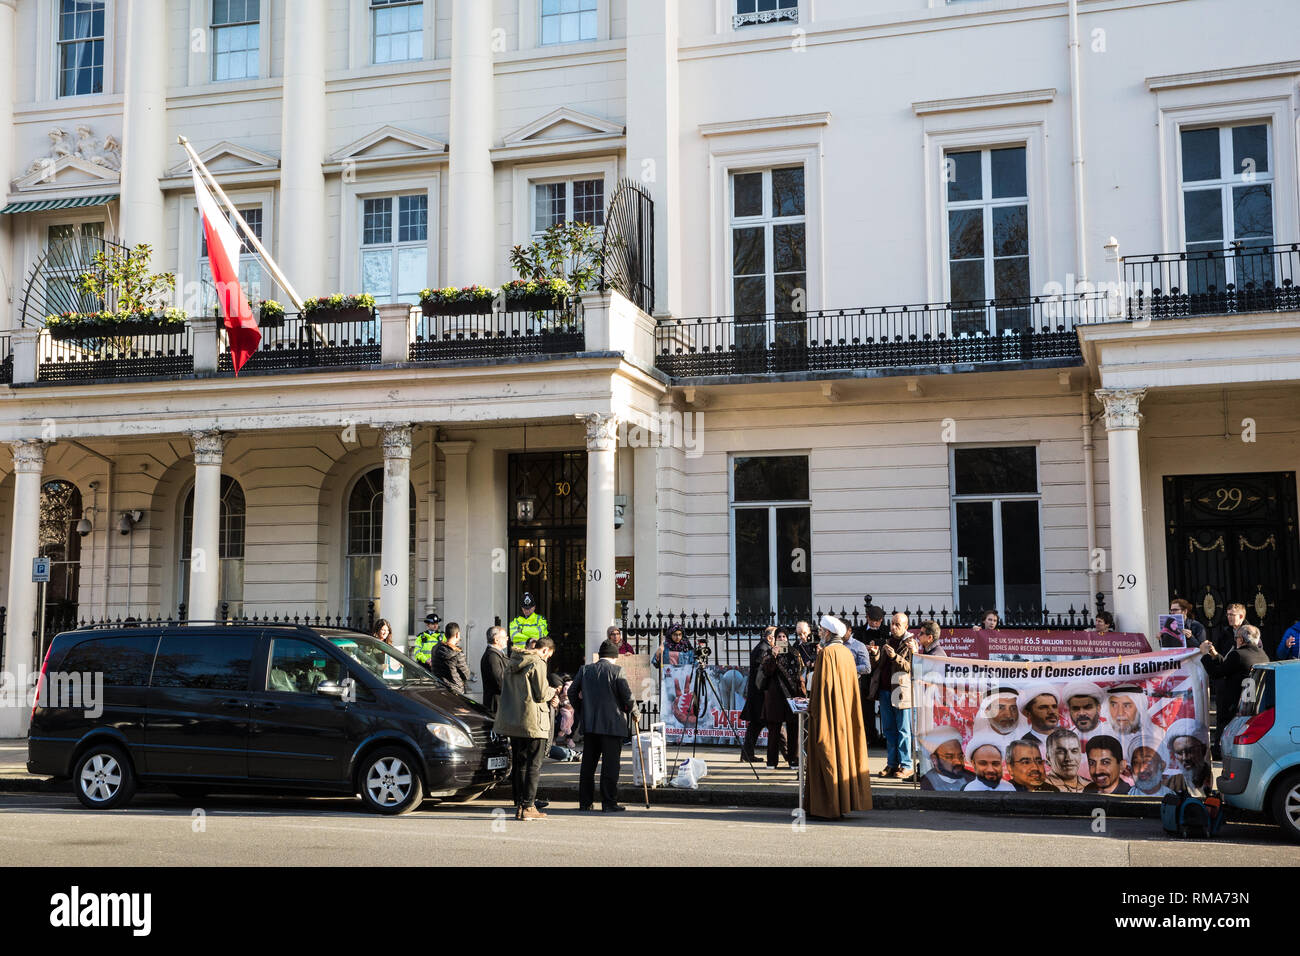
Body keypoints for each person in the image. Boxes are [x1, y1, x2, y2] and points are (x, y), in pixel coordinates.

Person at [806, 615, 872, 819]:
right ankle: (844, 801)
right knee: (844, 754)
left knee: (828, 753)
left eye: (820, 630)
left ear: (827, 632)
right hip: (844, 714)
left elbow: (820, 689)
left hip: (829, 714)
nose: (818, 633)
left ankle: (828, 805)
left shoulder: (827, 654)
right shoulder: (845, 653)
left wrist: (812, 709)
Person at [494, 636, 558, 821]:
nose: (547, 659)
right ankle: (529, 806)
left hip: (514, 721)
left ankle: (521, 806)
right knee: (534, 765)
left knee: (520, 764)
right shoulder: (538, 663)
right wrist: (554, 691)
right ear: (545, 650)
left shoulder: (513, 661)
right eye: (548, 655)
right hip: (533, 722)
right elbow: (541, 693)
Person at [568, 639, 636, 812]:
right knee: (610, 766)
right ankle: (609, 802)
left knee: (588, 766)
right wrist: (634, 711)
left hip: (590, 725)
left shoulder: (585, 670)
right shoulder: (617, 671)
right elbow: (627, 696)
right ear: (615, 656)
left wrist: (582, 709)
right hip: (612, 725)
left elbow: (571, 692)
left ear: (600, 655)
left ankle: (585, 802)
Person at [1200, 623, 1269, 754]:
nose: (1235, 640)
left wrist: (1205, 655)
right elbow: (1229, 667)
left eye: (1236, 637)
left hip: (1235, 705)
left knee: (1228, 744)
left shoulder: (1237, 654)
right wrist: (1215, 655)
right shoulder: (1262, 655)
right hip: (1254, 706)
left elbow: (1217, 673)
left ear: (1241, 640)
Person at [867, 612, 916, 780]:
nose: (894, 627)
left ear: (906, 627)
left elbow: (913, 668)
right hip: (885, 690)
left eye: (898, 625)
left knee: (903, 730)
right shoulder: (888, 641)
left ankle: (907, 765)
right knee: (889, 730)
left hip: (900, 691)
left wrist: (895, 656)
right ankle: (892, 763)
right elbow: (878, 666)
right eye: (892, 624)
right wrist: (875, 654)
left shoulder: (910, 644)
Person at [761, 635, 806, 770]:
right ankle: (771, 761)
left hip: (792, 695)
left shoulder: (794, 653)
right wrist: (773, 655)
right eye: (779, 636)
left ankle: (794, 760)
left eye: (784, 636)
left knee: (793, 729)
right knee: (774, 730)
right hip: (775, 698)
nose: (781, 639)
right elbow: (767, 672)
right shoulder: (769, 653)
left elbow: (800, 671)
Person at [740, 627, 778, 762]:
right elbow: (763, 673)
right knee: (772, 724)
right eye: (776, 636)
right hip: (760, 694)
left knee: (756, 725)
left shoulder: (762, 647)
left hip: (758, 694)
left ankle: (746, 754)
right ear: (769, 638)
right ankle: (791, 756)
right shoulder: (763, 649)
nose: (778, 640)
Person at [1162, 718, 1214, 797]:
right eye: (1179, 753)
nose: (1185, 758)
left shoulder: (1207, 777)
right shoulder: (1171, 783)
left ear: (1203, 750)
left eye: (1190, 751)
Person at [919, 726, 975, 791]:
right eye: (950, 757)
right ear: (934, 759)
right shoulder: (928, 784)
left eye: (960, 756)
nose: (958, 762)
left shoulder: (973, 779)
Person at [1127, 732, 1173, 797]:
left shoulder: (1173, 798)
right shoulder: (1125, 796)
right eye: (1136, 763)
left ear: (1162, 765)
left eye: (1148, 762)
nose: (1141, 769)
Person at [431, 622, 470, 695]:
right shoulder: (458, 653)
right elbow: (466, 675)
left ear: (445, 635)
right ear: (457, 634)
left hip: (438, 688)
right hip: (455, 690)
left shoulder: (435, 648)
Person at [1044, 728, 1088, 792]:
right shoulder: (1040, 786)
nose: (1069, 758)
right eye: (1061, 752)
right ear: (1048, 758)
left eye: (1074, 751)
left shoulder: (1091, 786)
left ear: (1080, 755)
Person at [479, 625, 509, 715]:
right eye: (505, 637)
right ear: (496, 640)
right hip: (496, 705)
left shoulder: (498, 654)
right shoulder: (492, 656)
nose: (507, 639)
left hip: (501, 704)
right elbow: (500, 681)